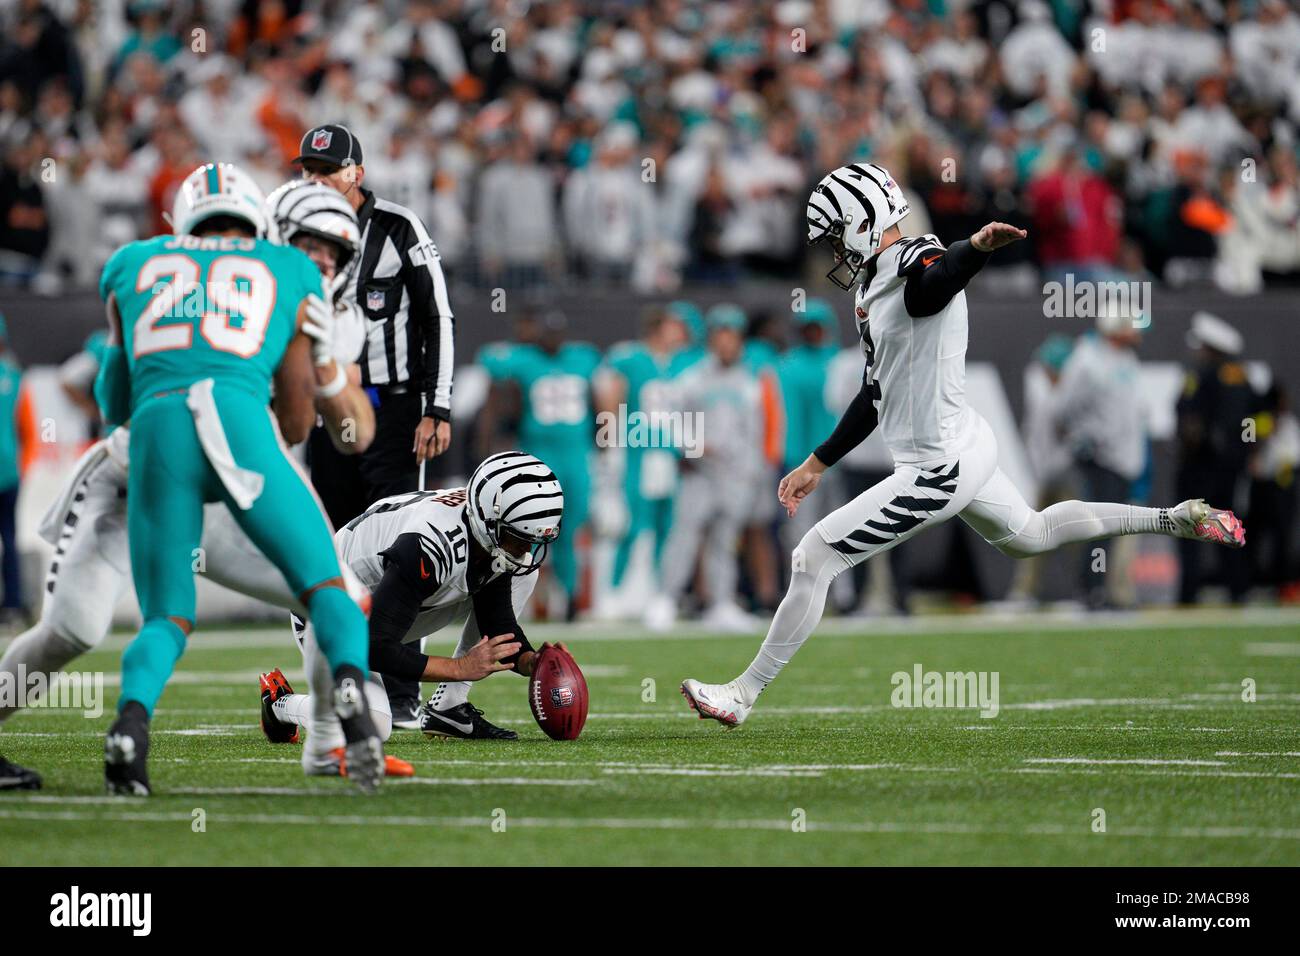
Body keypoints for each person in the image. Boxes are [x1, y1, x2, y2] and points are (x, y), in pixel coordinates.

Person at [681, 162, 1246, 727]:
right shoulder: (878, 280)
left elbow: (936, 280)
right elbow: (875, 393)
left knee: (813, 558)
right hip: (967, 442)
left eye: (835, 235)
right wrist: (817, 463)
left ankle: (743, 693)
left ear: (860, 222)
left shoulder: (910, 266)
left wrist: (974, 248)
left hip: (936, 467)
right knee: (1032, 534)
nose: (833, 251)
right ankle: (1175, 519)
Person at [0, 177, 391, 791]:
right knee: (72, 629)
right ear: (272, 230)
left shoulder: (145, 263)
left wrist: (323, 366)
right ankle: (343, 712)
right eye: (309, 245)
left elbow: (353, 431)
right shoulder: (284, 278)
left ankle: (324, 745)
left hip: (181, 467)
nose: (320, 260)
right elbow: (302, 425)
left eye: (334, 252)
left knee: (318, 593)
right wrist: (306, 362)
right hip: (176, 471)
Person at [296, 123, 456, 728]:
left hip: (394, 404)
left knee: (399, 541)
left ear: (356, 173)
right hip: (329, 402)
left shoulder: (399, 226)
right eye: (308, 171)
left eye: (328, 170)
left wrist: (436, 406)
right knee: (335, 541)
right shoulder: (296, 236)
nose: (317, 182)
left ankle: (401, 690)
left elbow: (438, 315)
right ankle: (345, 680)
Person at [260, 452, 567, 751]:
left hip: (390, 604)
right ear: (491, 519)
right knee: (375, 723)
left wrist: (531, 662)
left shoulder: (484, 525)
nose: (524, 548)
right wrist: (459, 667)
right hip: (331, 611)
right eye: (517, 537)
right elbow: (376, 647)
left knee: (523, 571)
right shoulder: (430, 545)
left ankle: (449, 708)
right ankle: (280, 704)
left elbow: (495, 616)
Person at [645, 306, 766, 633]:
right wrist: (693, 448)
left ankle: (721, 602)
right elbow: (670, 420)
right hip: (699, 472)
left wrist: (750, 472)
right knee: (684, 535)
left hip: (733, 475)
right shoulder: (692, 379)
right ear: (713, 340)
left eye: (733, 337)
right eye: (722, 336)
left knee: (725, 541)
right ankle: (666, 599)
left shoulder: (748, 382)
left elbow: (754, 432)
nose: (728, 344)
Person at [1051, 307, 1148, 609]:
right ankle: (1090, 590)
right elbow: (1064, 407)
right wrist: (1086, 436)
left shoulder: (1126, 359)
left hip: (1125, 456)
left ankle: (1104, 589)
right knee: (1100, 526)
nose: (1137, 331)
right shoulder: (1087, 359)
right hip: (1099, 456)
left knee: (1115, 527)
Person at [1175, 311, 1257, 604]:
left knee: (1189, 524)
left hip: (1200, 466)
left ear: (1208, 347)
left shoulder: (1201, 375)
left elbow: (1189, 418)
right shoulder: (1242, 376)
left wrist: (1193, 445)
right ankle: (1238, 589)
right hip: (1232, 466)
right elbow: (1256, 419)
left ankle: (1189, 592)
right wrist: (1247, 452)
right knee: (1228, 523)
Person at [0, 315, 34, 627]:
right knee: (9, 539)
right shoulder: (15, 376)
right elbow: (29, 429)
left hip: (10, 469)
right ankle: (13, 606)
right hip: (10, 470)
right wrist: (23, 466)